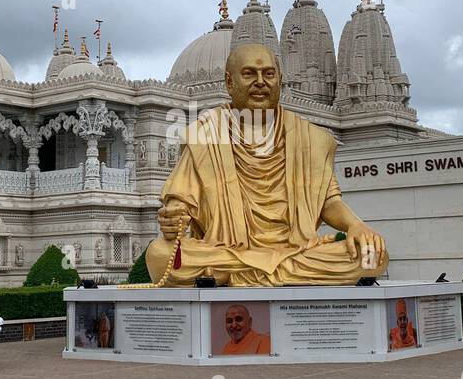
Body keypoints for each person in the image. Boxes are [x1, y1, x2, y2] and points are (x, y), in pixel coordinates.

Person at [145, 44, 387, 287]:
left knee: (373, 256)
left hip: (295, 249)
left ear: (280, 80)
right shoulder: (205, 135)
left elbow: (329, 202)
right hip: (228, 249)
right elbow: (180, 202)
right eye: (249, 74)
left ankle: (240, 275)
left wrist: (355, 225)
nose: (260, 82)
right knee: (159, 255)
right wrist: (174, 217)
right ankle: (277, 274)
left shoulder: (310, 137)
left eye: (269, 74)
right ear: (229, 83)